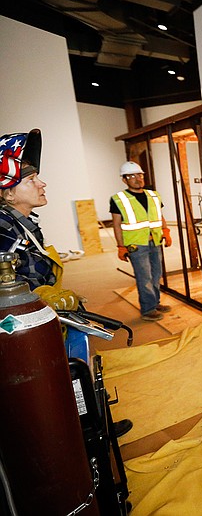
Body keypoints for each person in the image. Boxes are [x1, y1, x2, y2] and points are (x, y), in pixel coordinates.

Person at [0, 129, 133, 438]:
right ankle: (82, 438)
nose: (42, 184)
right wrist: (39, 297)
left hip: (45, 318)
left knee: (75, 374)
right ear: (8, 193)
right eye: (32, 180)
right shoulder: (3, 229)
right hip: (27, 331)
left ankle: (92, 428)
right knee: (57, 386)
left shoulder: (23, 224)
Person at [110, 161, 172, 322]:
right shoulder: (119, 199)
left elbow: (160, 215)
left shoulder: (153, 195)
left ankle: (155, 303)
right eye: (131, 176)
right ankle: (148, 309)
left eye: (139, 175)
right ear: (124, 179)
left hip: (155, 241)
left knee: (156, 274)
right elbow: (116, 224)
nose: (137, 179)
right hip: (136, 245)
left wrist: (165, 231)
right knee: (144, 277)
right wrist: (121, 246)